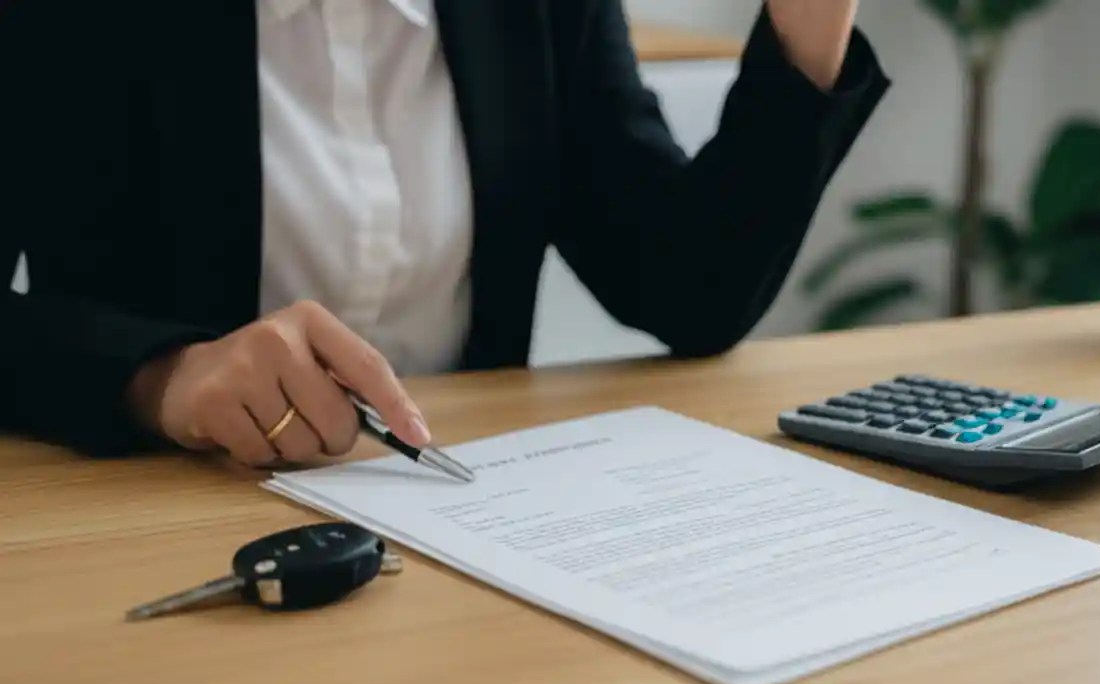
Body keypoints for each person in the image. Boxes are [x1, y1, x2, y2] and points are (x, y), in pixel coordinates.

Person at [0, 0, 887, 467]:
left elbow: (689, 288)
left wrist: (808, 25)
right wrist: (159, 376)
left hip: (462, 528)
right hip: (159, 511)